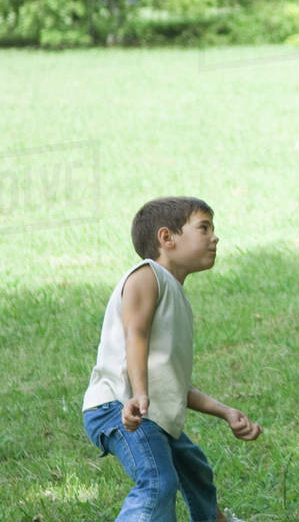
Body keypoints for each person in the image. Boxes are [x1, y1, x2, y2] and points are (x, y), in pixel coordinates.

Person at [83, 197, 261, 522]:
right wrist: (138, 394)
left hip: (152, 413)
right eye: (204, 228)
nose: (214, 237)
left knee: (195, 470)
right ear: (167, 238)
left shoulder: (173, 292)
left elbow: (173, 385)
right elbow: (134, 335)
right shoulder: (146, 276)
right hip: (118, 406)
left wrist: (225, 411)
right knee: (157, 483)